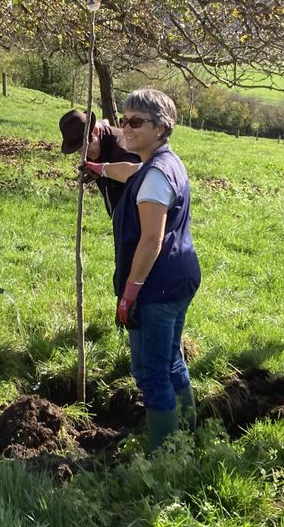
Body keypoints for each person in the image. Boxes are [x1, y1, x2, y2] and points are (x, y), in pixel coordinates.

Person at [98, 89, 201, 452]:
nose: (126, 127)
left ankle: (164, 455)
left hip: (155, 285)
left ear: (161, 127)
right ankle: (188, 434)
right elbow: (132, 172)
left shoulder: (156, 176)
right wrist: (100, 168)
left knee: (150, 372)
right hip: (180, 275)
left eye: (137, 121)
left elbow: (151, 241)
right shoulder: (162, 162)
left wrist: (130, 292)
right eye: (122, 120)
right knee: (171, 358)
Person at [59, 109, 140, 216]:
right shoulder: (98, 143)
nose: (85, 154)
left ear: (96, 131)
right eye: (79, 150)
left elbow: (137, 178)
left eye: (87, 147)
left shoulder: (121, 150)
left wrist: (105, 171)